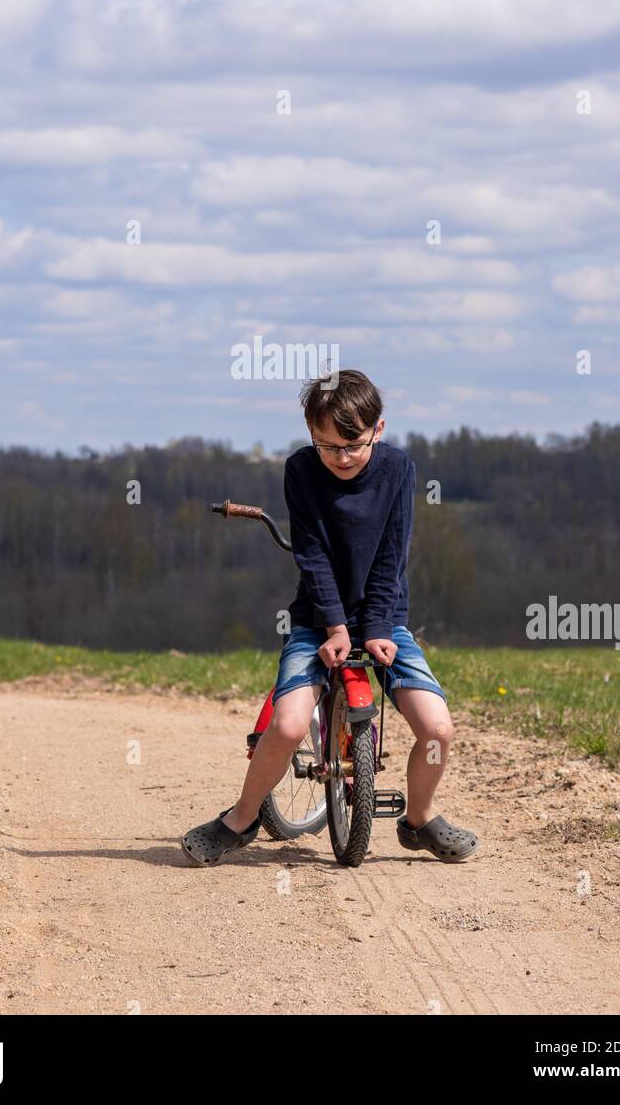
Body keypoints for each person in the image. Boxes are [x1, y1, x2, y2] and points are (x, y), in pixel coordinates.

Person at [181, 368, 478, 866]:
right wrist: (334, 625)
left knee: (438, 729)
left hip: (386, 621)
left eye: (353, 445)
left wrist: (378, 628)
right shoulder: (301, 469)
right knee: (290, 726)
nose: (340, 457)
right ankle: (242, 818)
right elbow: (312, 553)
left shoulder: (400, 469)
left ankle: (420, 819)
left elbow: (391, 556)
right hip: (317, 620)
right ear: (311, 437)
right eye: (326, 446)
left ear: (378, 430)